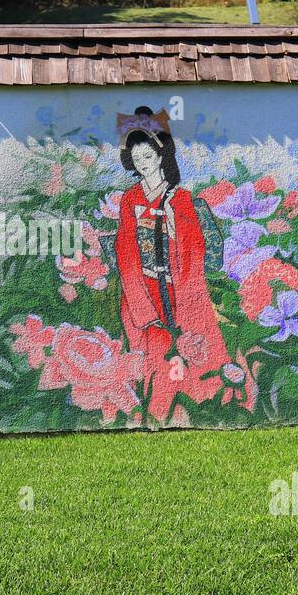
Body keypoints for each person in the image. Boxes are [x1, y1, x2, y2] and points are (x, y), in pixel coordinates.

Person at [114, 107, 227, 422]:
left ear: (160, 155)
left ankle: (199, 408)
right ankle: (153, 413)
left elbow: (194, 252)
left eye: (147, 156)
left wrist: (187, 300)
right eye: (137, 159)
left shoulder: (182, 199)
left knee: (193, 351)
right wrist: (142, 307)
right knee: (152, 353)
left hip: (180, 291)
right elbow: (126, 254)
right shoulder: (130, 200)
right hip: (143, 292)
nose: (142, 163)